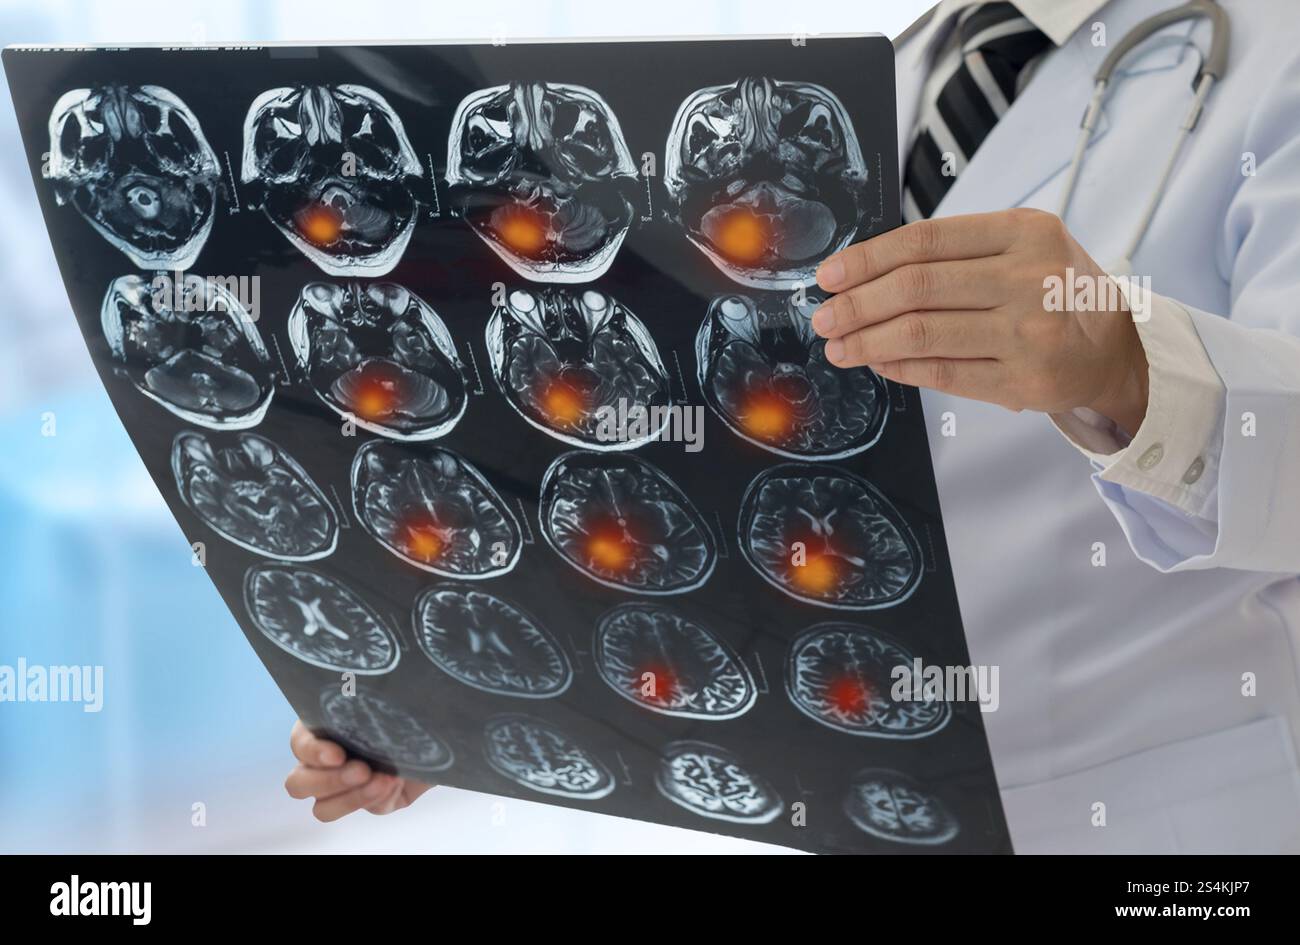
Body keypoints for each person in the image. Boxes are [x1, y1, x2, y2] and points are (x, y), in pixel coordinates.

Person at [287, 0, 1300, 852]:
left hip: (1166, 821)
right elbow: (723, 482)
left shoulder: (1274, 60)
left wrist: (1128, 365)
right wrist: (464, 701)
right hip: (857, 798)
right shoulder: (881, 78)